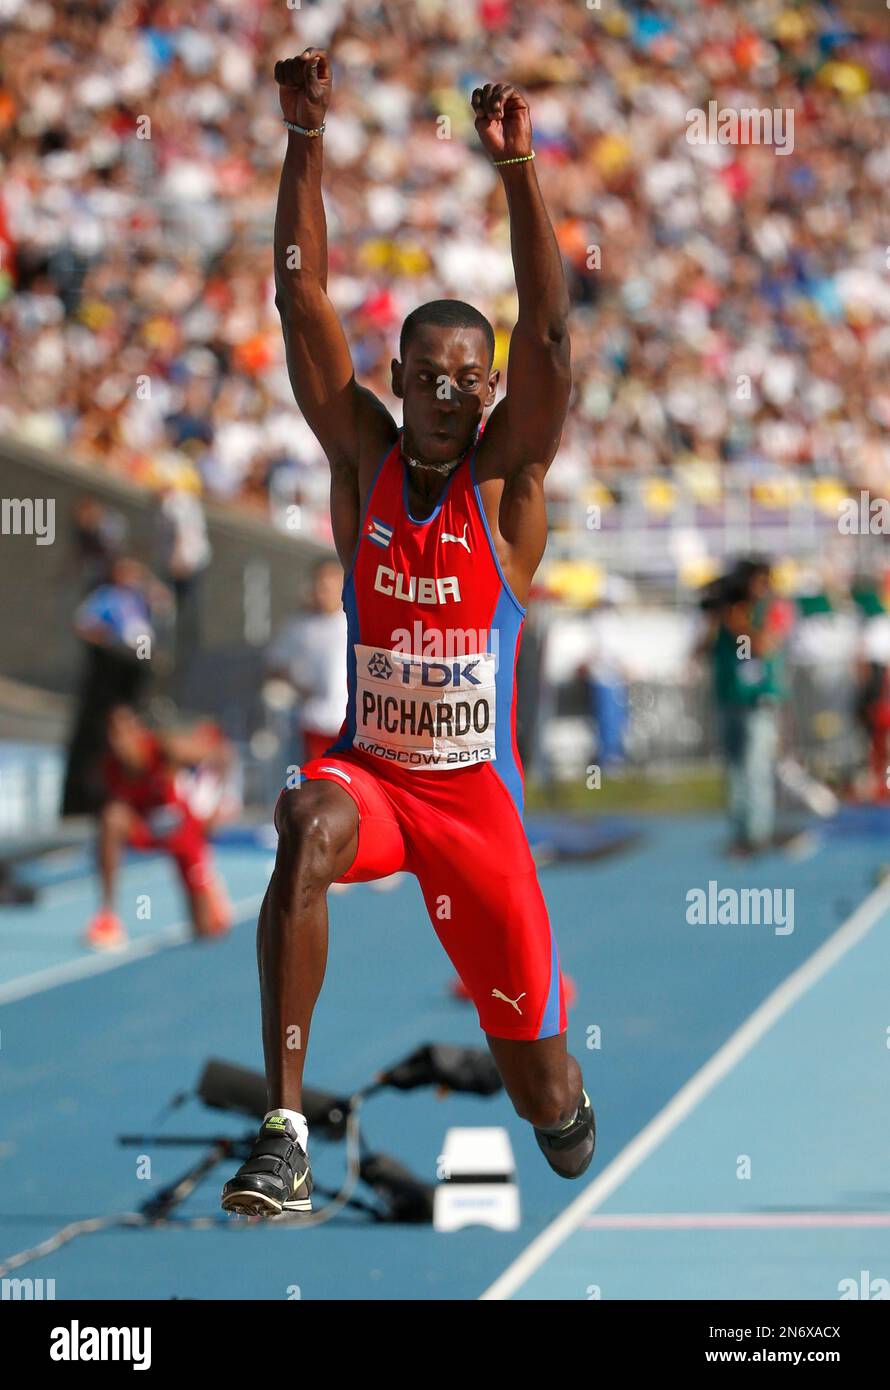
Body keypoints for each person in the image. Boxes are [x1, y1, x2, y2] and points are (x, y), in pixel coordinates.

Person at [221, 52, 595, 1217]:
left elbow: (545, 335)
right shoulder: (360, 465)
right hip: (377, 781)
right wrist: (305, 137)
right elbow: (300, 302)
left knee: (550, 1109)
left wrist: (518, 170)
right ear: (398, 377)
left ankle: (557, 1093)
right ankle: (282, 1131)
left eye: (464, 381)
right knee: (304, 821)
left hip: (475, 811)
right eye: (427, 374)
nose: (446, 393)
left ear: (485, 395)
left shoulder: (504, 491)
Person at [84, 706, 236, 950]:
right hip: (145, 830)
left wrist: (215, 804)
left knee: (206, 931)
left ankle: (208, 885)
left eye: (123, 733)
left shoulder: (165, 749)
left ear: (138, 731)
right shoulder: (108, 768)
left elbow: (221, 754)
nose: (118, 742)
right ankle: (107, 914)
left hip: (182, 832)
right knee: (111, 818)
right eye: (112, 735)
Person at [706, 558, 792, 856]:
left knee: (756, 766)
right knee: (735, 768)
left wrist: (736, 622)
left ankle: (757, 832)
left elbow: (764, 646)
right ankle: (740, 832)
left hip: (759, 699)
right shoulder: (726, 613)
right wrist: (717, 620)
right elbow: (702, 649)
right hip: (729, 696)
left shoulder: (771, 609)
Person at [264, 558, 348, 764]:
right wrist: (299, 684)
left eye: (331, 583)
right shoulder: (299, 626)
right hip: (314, 722)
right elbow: (274, 662)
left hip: (350, 725)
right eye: (321, 583)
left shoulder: (355, 620)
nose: (324, 589)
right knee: (312, 784)